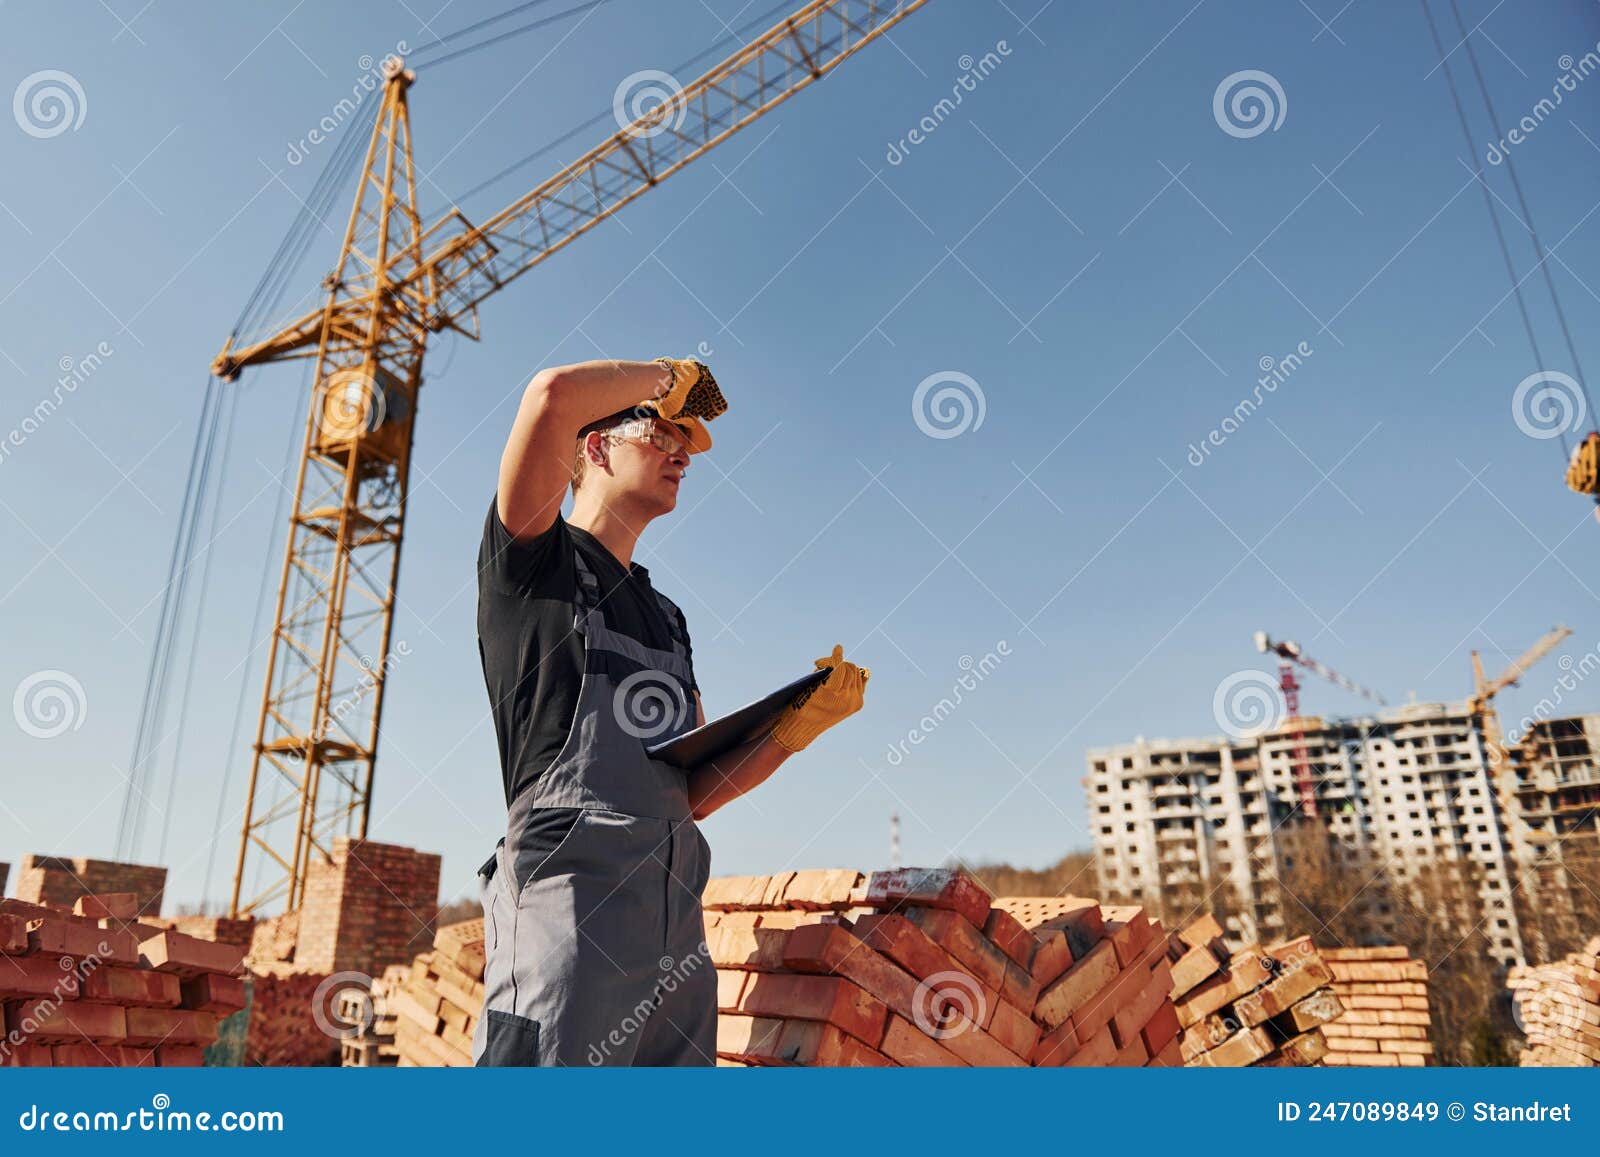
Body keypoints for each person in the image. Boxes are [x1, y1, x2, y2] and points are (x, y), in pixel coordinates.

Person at [471, 357, 870, 1066]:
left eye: (687, 442)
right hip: (569, 931)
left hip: (676, 940)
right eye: (663, 432)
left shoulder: (669, 619)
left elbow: (692, 793)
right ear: (594, 448)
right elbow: (550, 396)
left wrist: (793, 729)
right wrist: (661, 375)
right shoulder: (536, 566)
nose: (683, 452)